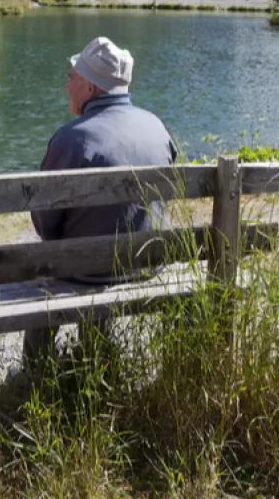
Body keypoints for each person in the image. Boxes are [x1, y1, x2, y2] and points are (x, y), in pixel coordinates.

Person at [26, 36, 177, 360]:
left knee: (52, 259)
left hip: (85, 271)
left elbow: (44, 222)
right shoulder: (157, 127)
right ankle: (98, 358)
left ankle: (34, 372)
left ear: (92, 89)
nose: (66, 85)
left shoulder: (72, 139)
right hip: (148, 264)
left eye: (72, 78)